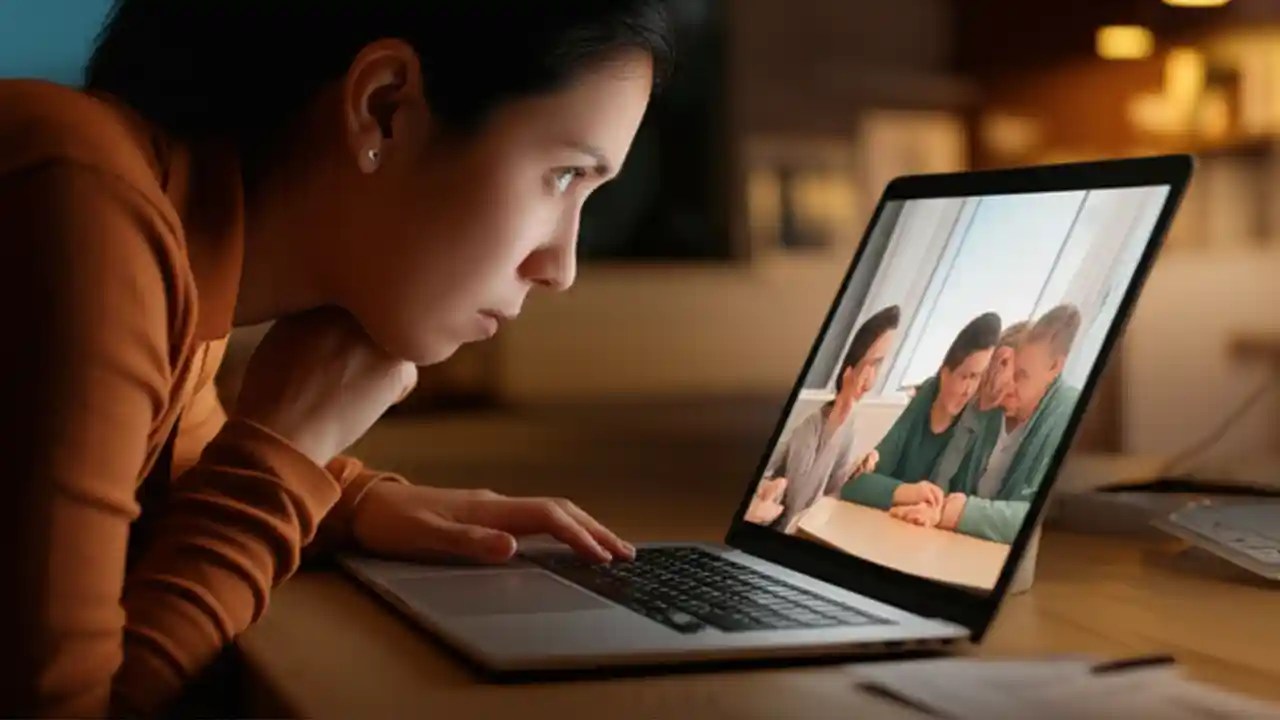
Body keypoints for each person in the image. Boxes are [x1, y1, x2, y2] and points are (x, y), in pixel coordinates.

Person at [1, 2, 674, 717]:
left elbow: (178, 465)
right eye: (565, 175)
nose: (561, 267)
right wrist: (282, 455)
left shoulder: (171, 238)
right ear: (385, 109)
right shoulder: (78, 194)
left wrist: (355, 500)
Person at [892, 306, 1083, 543]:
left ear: (1054, 368)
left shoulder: (1068, 414)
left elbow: (1039, 517)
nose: (1008, 386)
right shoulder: (988, 409)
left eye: (1021, 376)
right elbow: (942, 482)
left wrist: (955, 513)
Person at [744, 306, 901, 529]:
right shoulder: (809, 426)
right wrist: (839, 415)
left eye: (880, 365)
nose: (873, 377)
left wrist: (856, 471)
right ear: (851, 367)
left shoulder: (848, 425)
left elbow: (831, 490)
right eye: (872, 364)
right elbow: (798, 503)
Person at [840, 312, 1002, 512]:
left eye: (977, 378)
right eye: (965, 376)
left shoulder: (975, 428)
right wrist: (911, 492)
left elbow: (958, 506)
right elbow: (855, 484)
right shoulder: (923, 400)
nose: (969, 390)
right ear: (945, 372)